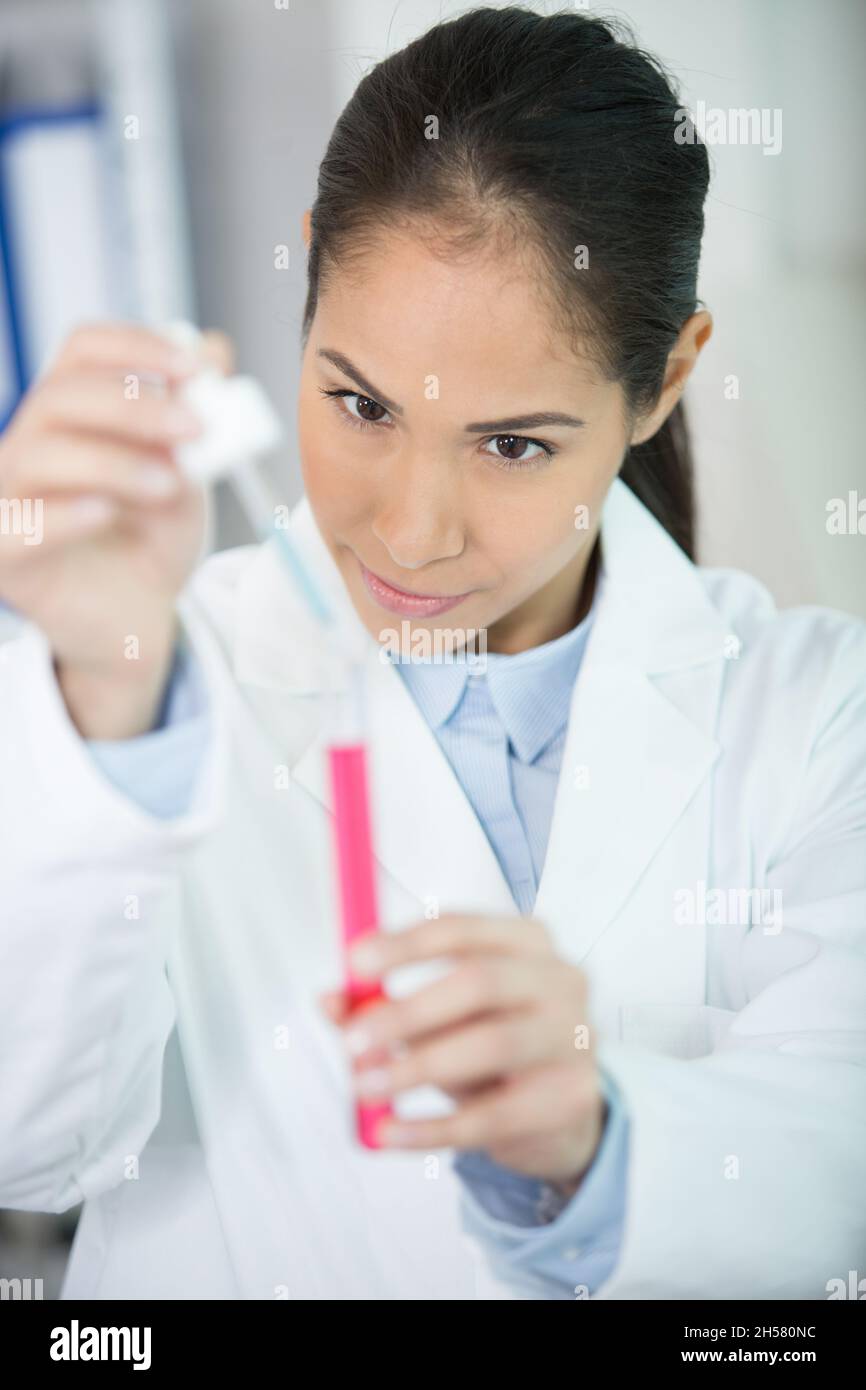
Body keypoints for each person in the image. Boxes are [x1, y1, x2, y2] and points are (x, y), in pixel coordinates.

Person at [0, 6, 863, 1301]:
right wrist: (108, 701)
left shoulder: (813, 711)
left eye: (511, 443)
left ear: (666, 377)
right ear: (305, 274)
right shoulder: (148, 680)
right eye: (359, 404)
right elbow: (28, 1152)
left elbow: (830, 1165)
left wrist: (586, 1145)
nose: (408, 528)